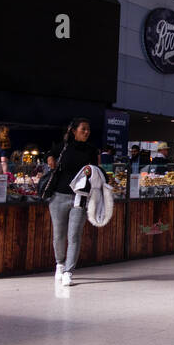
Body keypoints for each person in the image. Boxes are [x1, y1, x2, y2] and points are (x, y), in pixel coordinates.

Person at [46, 117, 99, 286]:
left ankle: (69, 271)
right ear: (74, 131)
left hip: (80, 197)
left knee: (74, 235)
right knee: (59, 235)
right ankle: (60, 264)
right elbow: (50, 153)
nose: (86, 132)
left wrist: (93, 171)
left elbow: (98, 170)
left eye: (88, 129)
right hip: (58, 196)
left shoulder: (91, 150)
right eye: (83, 129)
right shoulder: (63, 147)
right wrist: (49, 159)